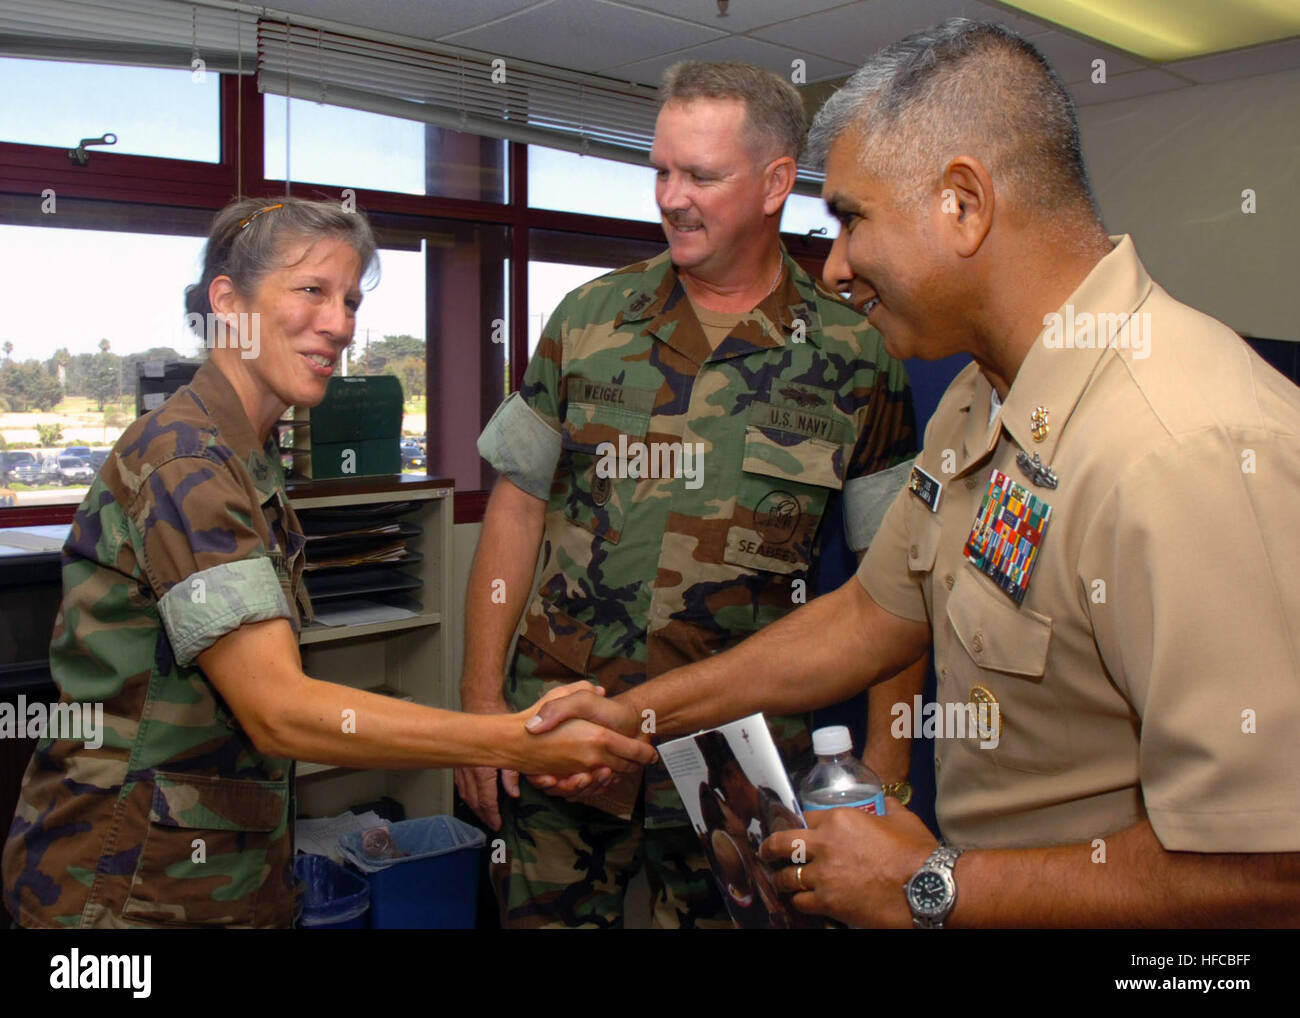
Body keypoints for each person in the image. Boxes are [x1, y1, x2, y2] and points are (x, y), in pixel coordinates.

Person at [531, 20, 1300, 928]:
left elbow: (1268, 867)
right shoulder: (982, 399)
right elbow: (869, 617)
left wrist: (928, 887)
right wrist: (637, 718)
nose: (837, 265)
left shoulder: (1186, 444)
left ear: (963, 205)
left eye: (853, 220)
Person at [1, 197, 655, 930]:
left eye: (349, 300)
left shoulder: (243, 454)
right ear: (228, 301)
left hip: (214, 875)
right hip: (122, 891)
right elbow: (279, 709)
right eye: (311, 290)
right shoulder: (187, 460)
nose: (341, 324)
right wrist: (509, 739)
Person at [459, 60, 923, 928]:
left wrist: (885, 784)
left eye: (701, 175)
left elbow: (896, 586)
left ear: (776, 183)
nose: (671, 197)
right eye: (661, 171)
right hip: (563, 736)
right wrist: (481, 711)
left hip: (735, 760)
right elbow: (517, 507)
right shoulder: (588, 321)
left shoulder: (856, 357)